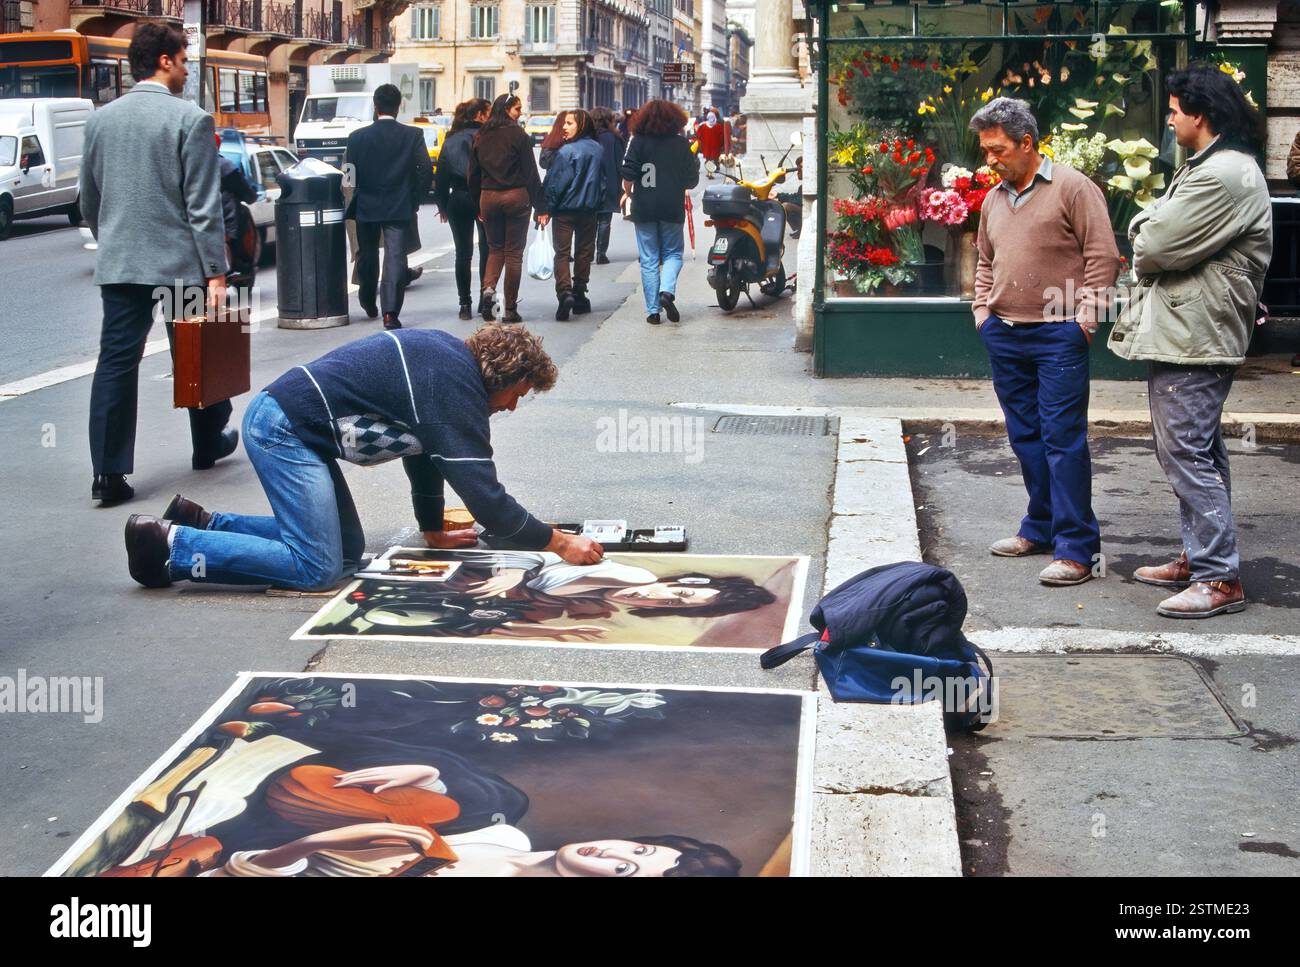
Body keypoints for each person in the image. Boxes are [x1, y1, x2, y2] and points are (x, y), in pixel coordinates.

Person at [121, 325, 604, 590]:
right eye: (518, 394)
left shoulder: (449, 363)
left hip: (298, 427)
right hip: (283, 430)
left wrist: (431, 525)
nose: (513, 406)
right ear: (501, 374)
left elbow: (424, 451)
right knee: (317, 568)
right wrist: (559, 543)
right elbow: (486, 499)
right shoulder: (456, 391)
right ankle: (172, 544)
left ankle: (206, 521)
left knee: (346, 551)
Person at [1108, 65, 1272, 619]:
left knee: (1185, 453)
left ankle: (1218, 577)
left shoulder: (1220, 174)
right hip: (1194, 328)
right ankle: (1199, 556)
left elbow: (1153, 243)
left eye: (1176, 110)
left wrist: (1143, 225)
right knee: (1199, 451)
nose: (1170, 118)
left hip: (1195, 333)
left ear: (1200, 114)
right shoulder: (1213, 167)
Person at [79, 23, 238, 506]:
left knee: (115, 363)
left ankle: (108, 475)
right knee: (196, 355)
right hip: (180, 264)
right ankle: (207, 443)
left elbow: (89, 199)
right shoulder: (190, 119)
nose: (188, 68)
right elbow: (203, 205)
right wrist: (216, 271)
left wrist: (113, 241)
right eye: (185, 59)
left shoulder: (100, 120)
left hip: (123, 262)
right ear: (165, 61)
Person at [968, 97, 1120, 587]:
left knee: (1063, 441)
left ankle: (1077, 549)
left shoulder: (1073, 187)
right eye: (986, 150)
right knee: (1026, 438)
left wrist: (1085, 322)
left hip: (1059, 333)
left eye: (997, 150)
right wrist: (982, 312)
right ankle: (1040, 526)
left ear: (1027, 143)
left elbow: (1103, 257)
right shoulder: (993, 200)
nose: (989, 160)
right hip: (1005, 332)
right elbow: (986, 261)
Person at [343, 83, 432, 331]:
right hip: (399, 204)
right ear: (399, 106)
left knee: (368, 254)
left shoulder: (356, 138)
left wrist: (355, 197)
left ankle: (368, 301)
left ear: (375, 106)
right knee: (394, 257)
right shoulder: (412, 135)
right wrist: (415, 197)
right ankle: (390, 314)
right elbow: (425, 169)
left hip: (366, 204)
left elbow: (348, 176)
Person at [620, 99, 699, 325]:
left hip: (644, 207)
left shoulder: (638, 142)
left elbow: (628, 175)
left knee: (649, 258)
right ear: (675, 119)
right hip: (671, 206)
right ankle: (666, 291)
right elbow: (692, 180)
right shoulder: (681, 144)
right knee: (673, 254)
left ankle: (653, 312)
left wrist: (628, 191)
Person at [469, 94, 546, 323]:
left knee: (494, 250)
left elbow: (472, 175)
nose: (520, 112)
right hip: (515, 196)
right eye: (517, 109)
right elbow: (531, 174)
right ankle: (510, 309)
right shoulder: (518, 135)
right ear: (506, 110)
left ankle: (489, 290)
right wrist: (541, 206)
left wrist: (477, 204)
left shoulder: (481, 135)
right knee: (513, 253)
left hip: (488, 197)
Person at [541, 109, 604, 321]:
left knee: (562, 253)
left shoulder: (566, 152)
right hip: (589, 209)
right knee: (585, 252)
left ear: (581, 125)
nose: (564, 127)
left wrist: (545, 208)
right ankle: (579, 292)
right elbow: (604, 181)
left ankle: (564, 292)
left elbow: (555, 184)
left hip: (565, 211)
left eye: (569, 123)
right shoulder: (598, 150)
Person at [433, 97, 491, 320]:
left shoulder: (451, 139)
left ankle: (464, 304)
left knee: (463, 253)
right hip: (483, 196)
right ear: (479, 115)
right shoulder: (486, 136)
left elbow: (441, 175)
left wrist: (442, 204)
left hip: (457, 197)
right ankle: (485, 298)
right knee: (487, 249)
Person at [214, 132, 257, 288]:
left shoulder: (186, 164)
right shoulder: (224, 167)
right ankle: (240, 263)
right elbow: (246, 192)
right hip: (222, 219)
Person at [589, 107, 626, 264]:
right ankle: (601, 253)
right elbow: (620, 164)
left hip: (588, 184)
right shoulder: (614, 138)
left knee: (589, 221)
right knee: (605, 220)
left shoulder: (587, 137)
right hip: (610, 182)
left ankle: (588, 253)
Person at [692, 108, 729, 179]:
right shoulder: (718, 126)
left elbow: (699, 135)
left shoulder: (703, 126)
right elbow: (721, 137)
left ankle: (709, 173)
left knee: (708, 160)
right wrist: (721, 145)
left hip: (706, 146)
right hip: (715, 147)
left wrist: (701, 143)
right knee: (713, 159)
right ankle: (710, 173)